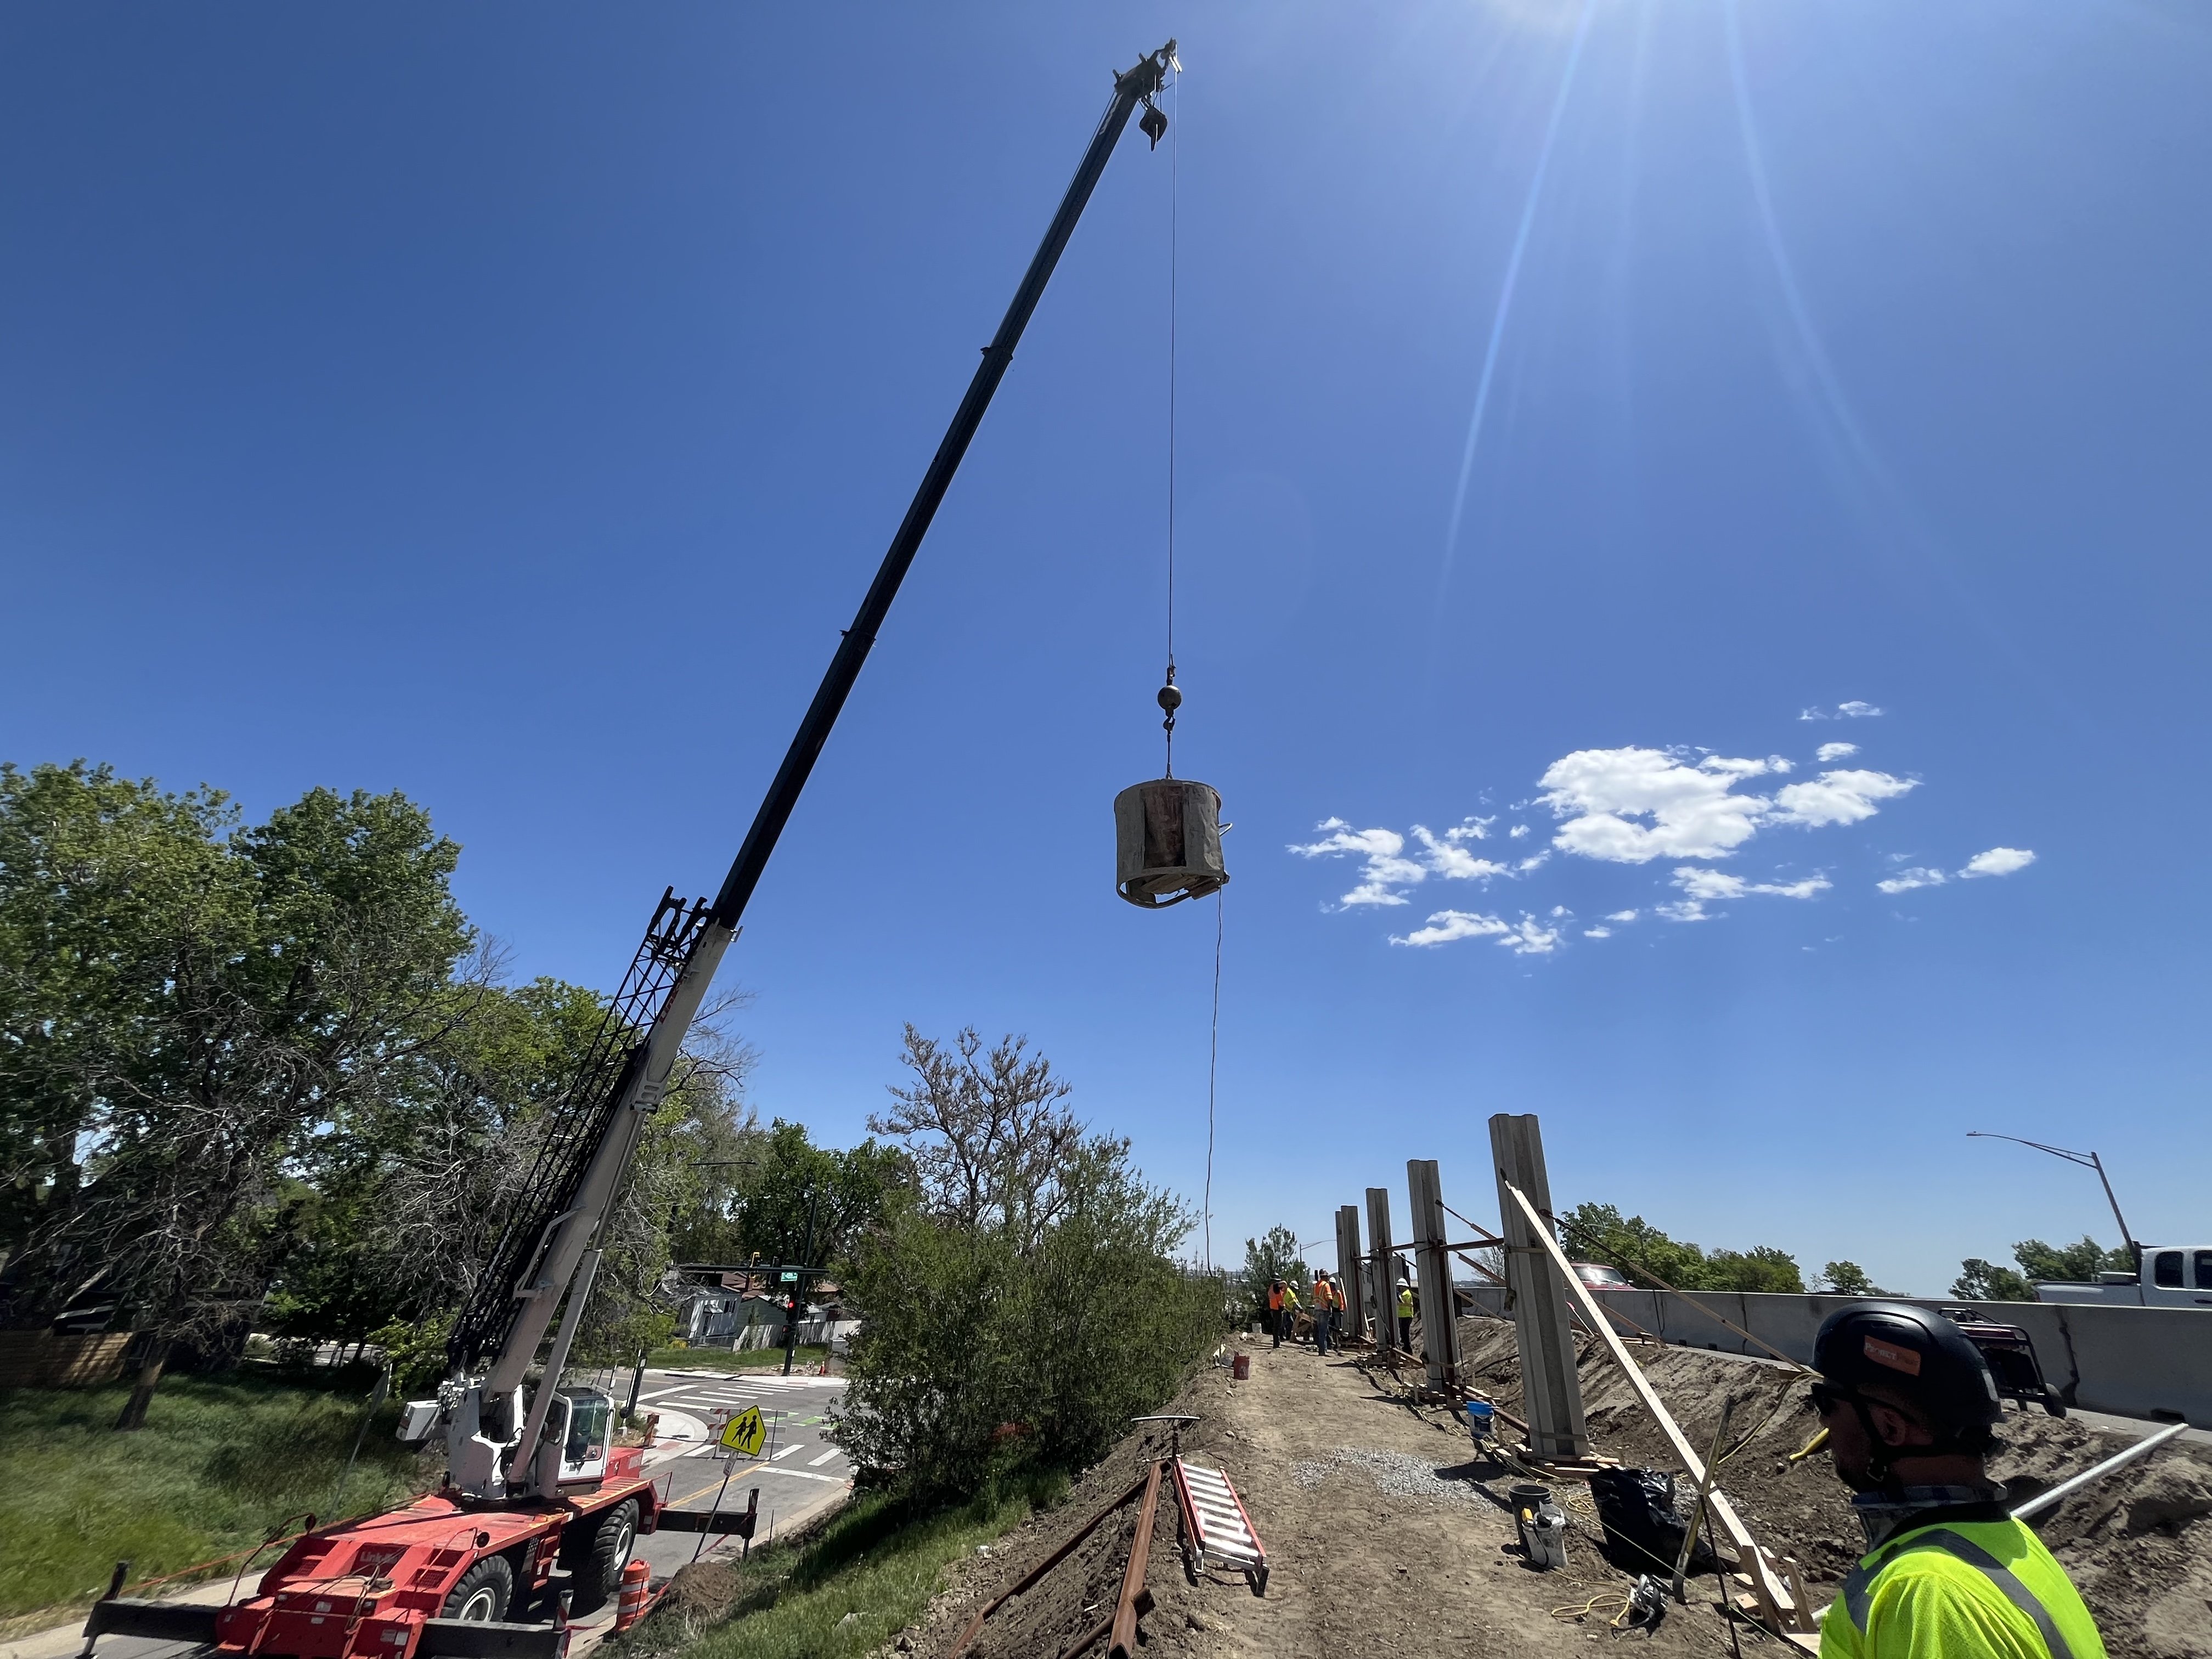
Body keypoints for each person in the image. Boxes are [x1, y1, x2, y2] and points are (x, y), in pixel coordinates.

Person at [1809, 1301, 2107, 1659]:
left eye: (1826, 1403)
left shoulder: (1926, 1592)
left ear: (1890, 1428)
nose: (1824, 1422)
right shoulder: (2007, 1537)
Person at [1310, 1271, 1339, 1355]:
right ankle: (1322, 1351)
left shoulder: (1316, 1286)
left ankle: (1322, 1349)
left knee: (1320, 1330)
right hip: (1324, 1309)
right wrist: (1330, 1309)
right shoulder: (1326, 1285)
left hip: (1317, 1309)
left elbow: (1312, 1297)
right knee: (1323, 1331)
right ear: (1326, 1277)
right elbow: (1329, 1298)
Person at [1396, 1277, 1415, 1353]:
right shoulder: (1403, 1294)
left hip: (1407, 1316)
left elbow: (1409, 1304)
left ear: (1403, 1286)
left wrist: (1399, 1300)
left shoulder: (1407, 1294)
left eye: (1400, 1286)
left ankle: (1407, 1349)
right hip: (1402, 1315)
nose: (1399, 1288)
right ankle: (1405, 1347)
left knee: (1405, 1333)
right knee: (1403, 1332)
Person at [1266, 1278, 1286, 1348]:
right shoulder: (1276, 1287)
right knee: (1277, 1327)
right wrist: (1285, 1287)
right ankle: (1276, 1344)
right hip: (1277, 1309)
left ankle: (1277, 1343)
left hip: (1274, 1309)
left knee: (1276, 1327)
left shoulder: (1271, 1288)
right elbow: (1284, 1283)